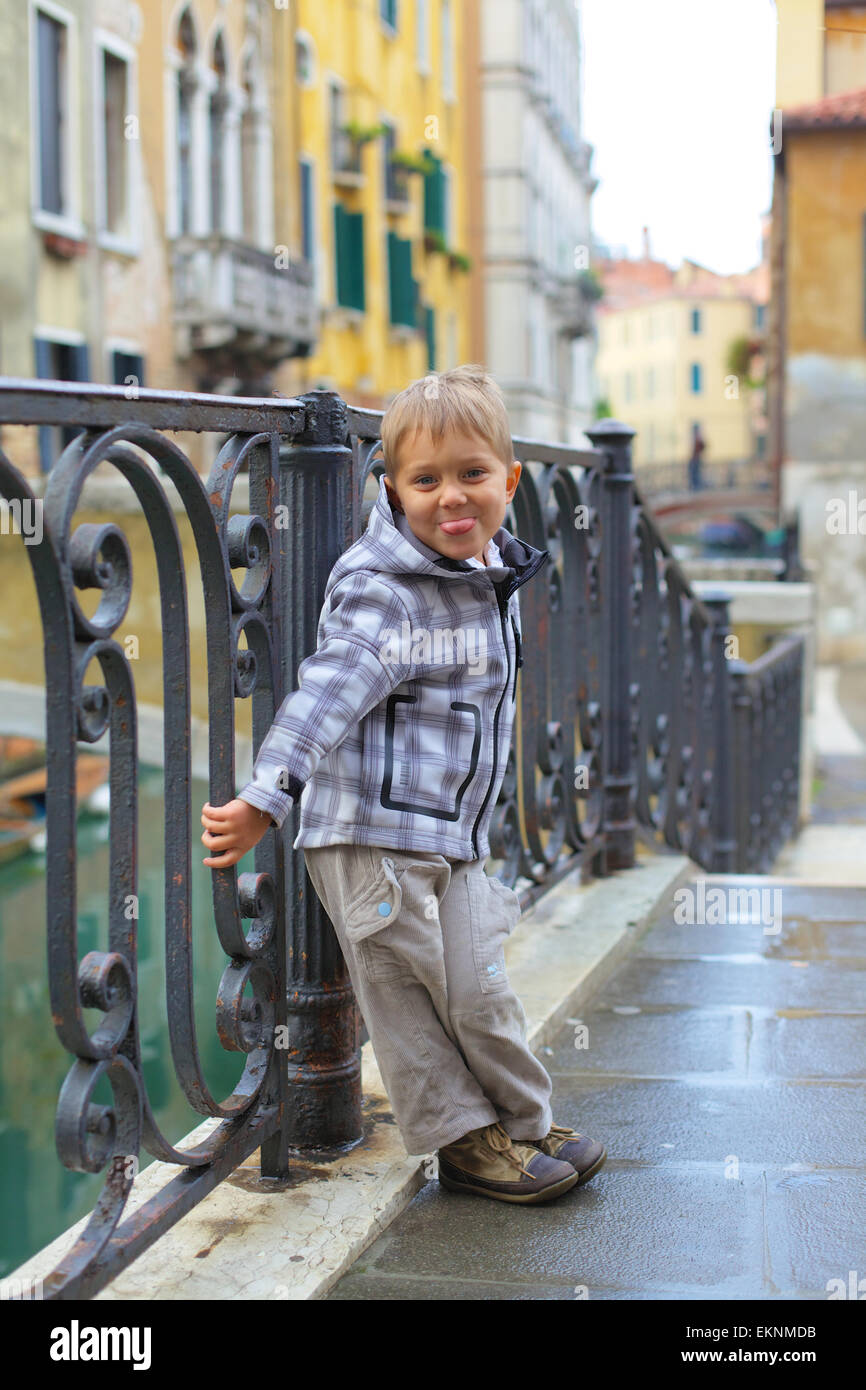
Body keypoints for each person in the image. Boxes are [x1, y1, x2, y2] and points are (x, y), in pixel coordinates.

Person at [200, 364, 606, 1204]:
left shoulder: (487, 571)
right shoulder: (387, 592)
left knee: (480, 989)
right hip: (370, 843)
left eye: (471, 476)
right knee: (409, 1009)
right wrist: (264, 797)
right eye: (426, 481)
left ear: (510, 481)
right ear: (391, 487)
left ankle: (522, 1122)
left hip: (449, 838)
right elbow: (326, 694)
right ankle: (464, 1144)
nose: (451, 499)